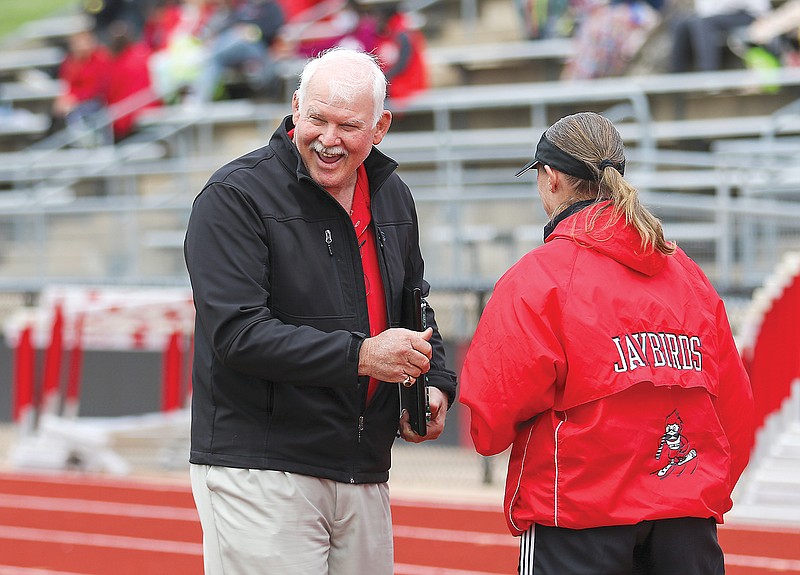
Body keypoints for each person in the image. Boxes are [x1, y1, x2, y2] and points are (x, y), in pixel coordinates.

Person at [184, 47, 457, 574]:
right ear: (294, 108)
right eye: (316, 119)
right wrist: (363, 357)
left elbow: (414, 303)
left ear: (380, 128)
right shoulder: (234, 196)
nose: (328, 139)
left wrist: (435, 382)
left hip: (363, 466)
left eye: (348, 126)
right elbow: (238, 334)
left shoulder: (393, 195)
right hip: (262, 466)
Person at [458, 111, 755, 574]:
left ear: (551, 179)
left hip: (578, 516)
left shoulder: (539, 278)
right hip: (685, 521)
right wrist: (689, 487)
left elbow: (490, 417)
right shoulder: (688, 276)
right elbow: (734, 409)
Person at [185, 0, 287, 104]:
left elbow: (274, 29)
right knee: (216, 61)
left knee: (222, 51)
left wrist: (251, 31)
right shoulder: (244, 6)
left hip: (258, 48)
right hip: (235, 48)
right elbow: (231, 25)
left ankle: (206, 56)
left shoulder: (272, 7)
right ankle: (198, 101)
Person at [669, 0, 771, 73]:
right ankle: (676, 79)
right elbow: (704, 10)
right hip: (715, 17)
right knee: (679, 24)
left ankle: (708, 76)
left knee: (702, 23)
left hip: (749, 15)